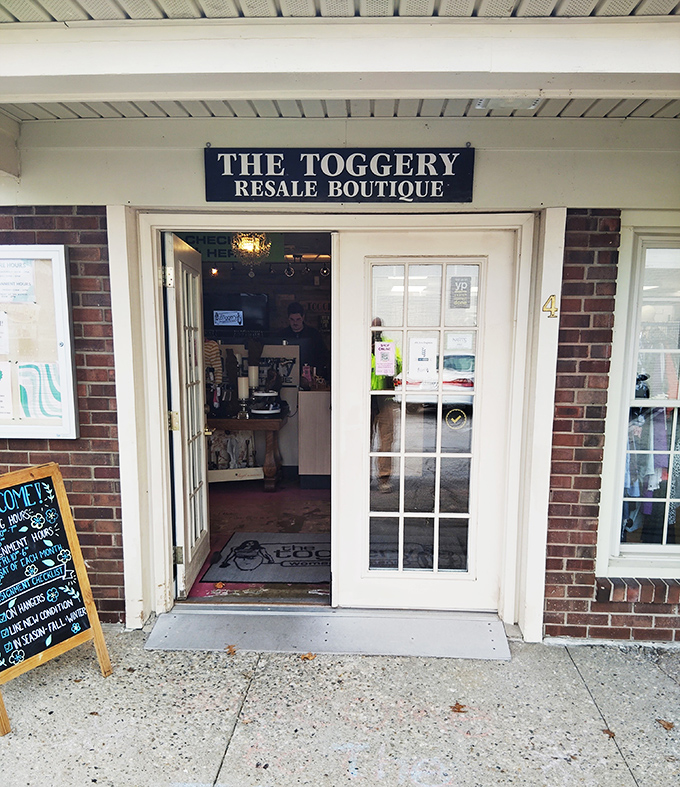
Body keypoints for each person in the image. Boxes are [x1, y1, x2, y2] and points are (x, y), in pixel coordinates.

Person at [371, 318, 401, 493]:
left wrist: (389, 359)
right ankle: (362, 475)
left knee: (386, 439)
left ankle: (384, 477)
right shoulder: (358, 341)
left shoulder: (389, 344)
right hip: (364, 396)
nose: (375, 330)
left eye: (378, 326)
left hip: (385, 396)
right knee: (362, 439)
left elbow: (398, 367)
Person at [280, 301, 330, 383]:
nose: (295, 323)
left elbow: (322, 356)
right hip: (287, 376)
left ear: (303, 317)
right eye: (292, 319)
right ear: (288, 318)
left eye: (298, 319)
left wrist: (316, 371)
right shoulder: (281, 335)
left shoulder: (314, 334)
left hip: (310, 378)